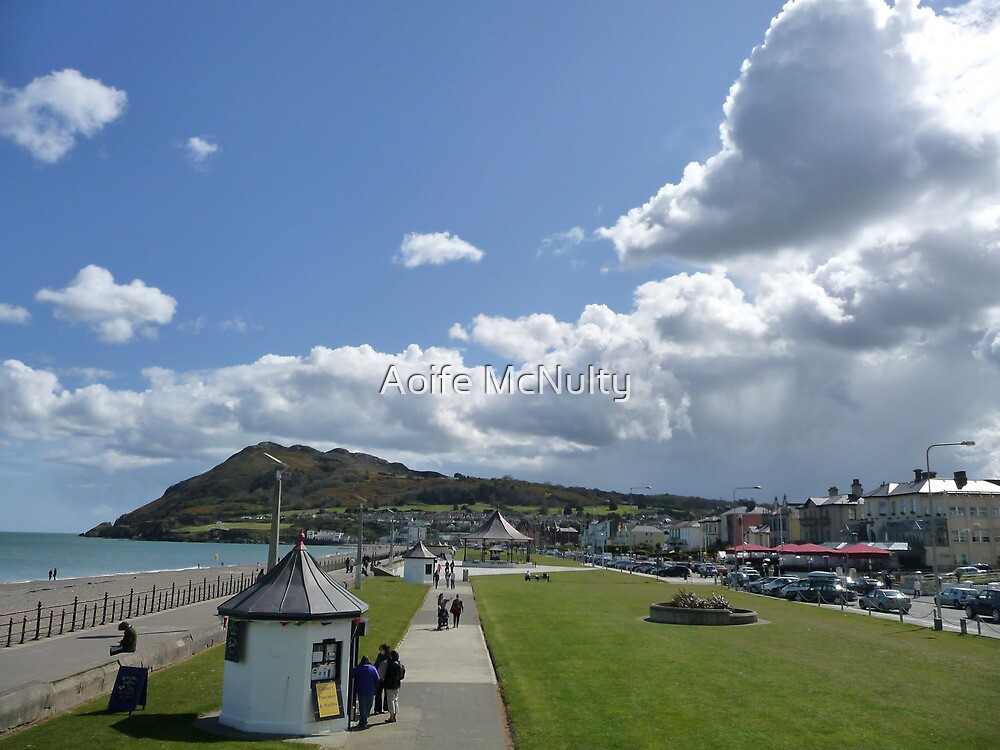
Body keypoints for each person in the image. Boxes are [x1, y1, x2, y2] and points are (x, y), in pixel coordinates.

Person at [352, 655, 380, 729]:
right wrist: (376, 688)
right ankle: (364, 719)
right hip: (371, 689)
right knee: (368, 705)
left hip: (361, 689)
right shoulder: (373, 668)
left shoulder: (358, 668)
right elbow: (377, 679)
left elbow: (352, 676)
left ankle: (363, 720)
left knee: (362, 705)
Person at [382, 649, 404, 723]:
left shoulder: (391, 665)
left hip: (390, 685)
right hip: (397, 684)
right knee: (395, 700)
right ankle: (394, 715)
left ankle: (391, 716)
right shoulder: (400, 665)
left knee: (390, 700)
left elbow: (388, 675)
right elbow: (402, 675)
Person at [373, 643, 390, 714]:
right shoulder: (379, 656)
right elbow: (376, 665)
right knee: (378, 694)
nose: (380, 651)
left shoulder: (388, 657)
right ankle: (378, 708)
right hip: (379, 678)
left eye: (381, 649)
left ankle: (386, 708)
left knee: (387, 694)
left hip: (386, 678)